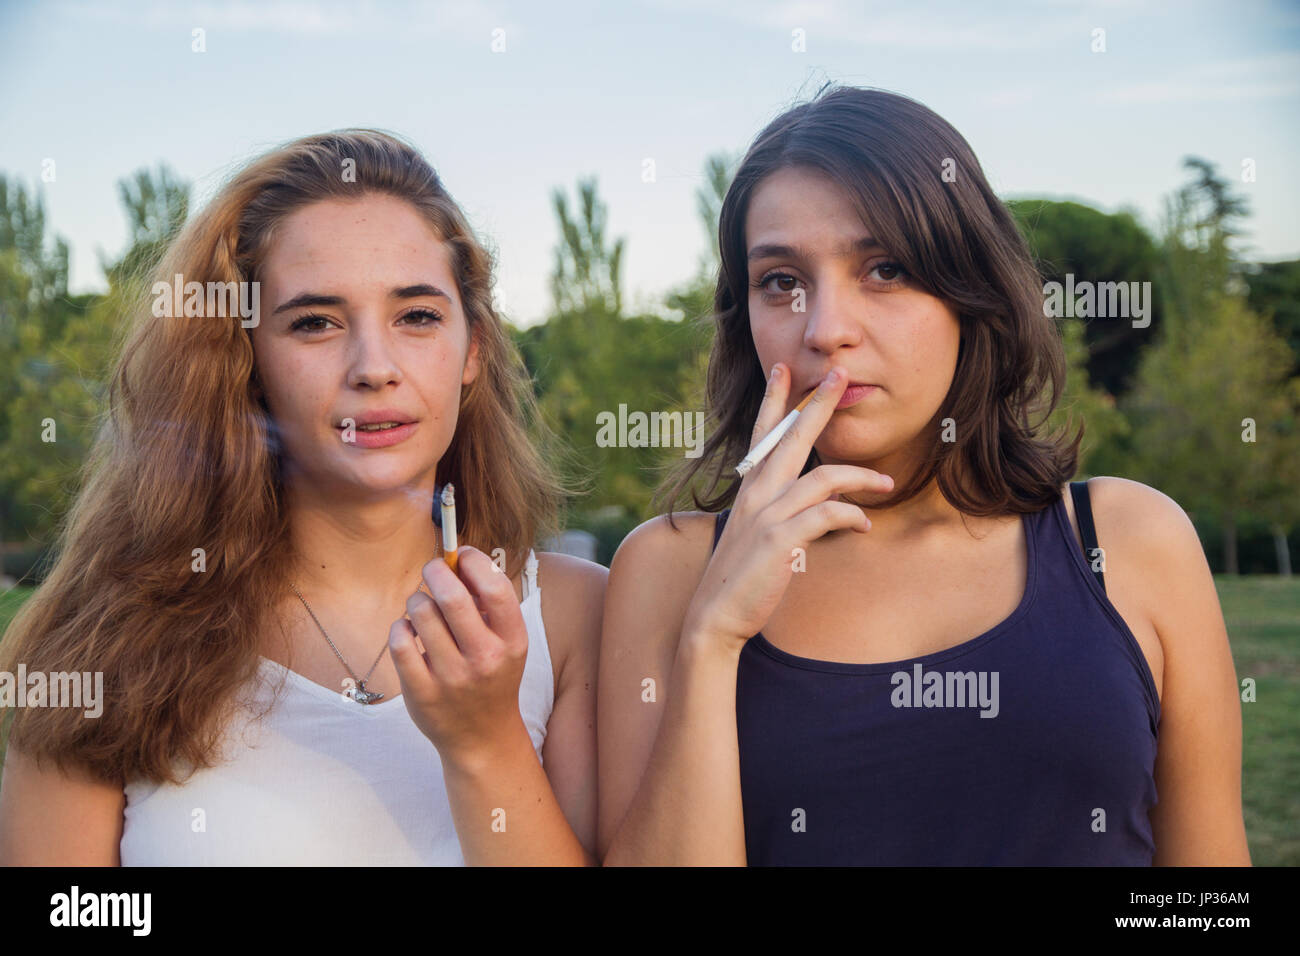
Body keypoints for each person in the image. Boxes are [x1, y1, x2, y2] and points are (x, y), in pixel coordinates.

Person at [597, 85, 1250, 865]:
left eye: (888, 269)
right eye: (781, 281)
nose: (826, 329)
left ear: (974, 292)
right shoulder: (667, 570)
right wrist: (712, 639)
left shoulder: (1132, 542)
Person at [0, 129, 605, 865]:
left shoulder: (581, 618)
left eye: (416, 316)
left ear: (473, 347)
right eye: (315, 322)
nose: (374, 368)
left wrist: (486, 745)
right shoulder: (103, 635)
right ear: (244, 357)